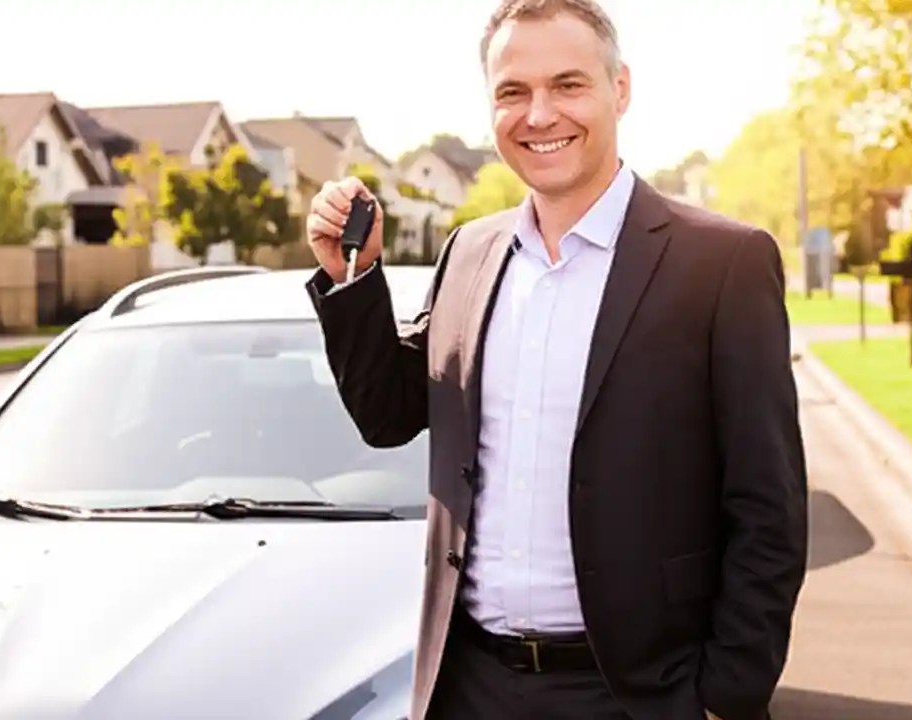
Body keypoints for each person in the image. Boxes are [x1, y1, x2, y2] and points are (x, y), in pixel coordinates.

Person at [302, 1, 808, 718]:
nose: (539, 114)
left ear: (620, 89)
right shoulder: (469, 252)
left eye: (568, 85)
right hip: (468, 685)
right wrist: (355, 278)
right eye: (513, 91)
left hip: (637, 695)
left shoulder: (723, 263)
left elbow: (769, 506)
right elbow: (388, 416)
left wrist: (728, 694)